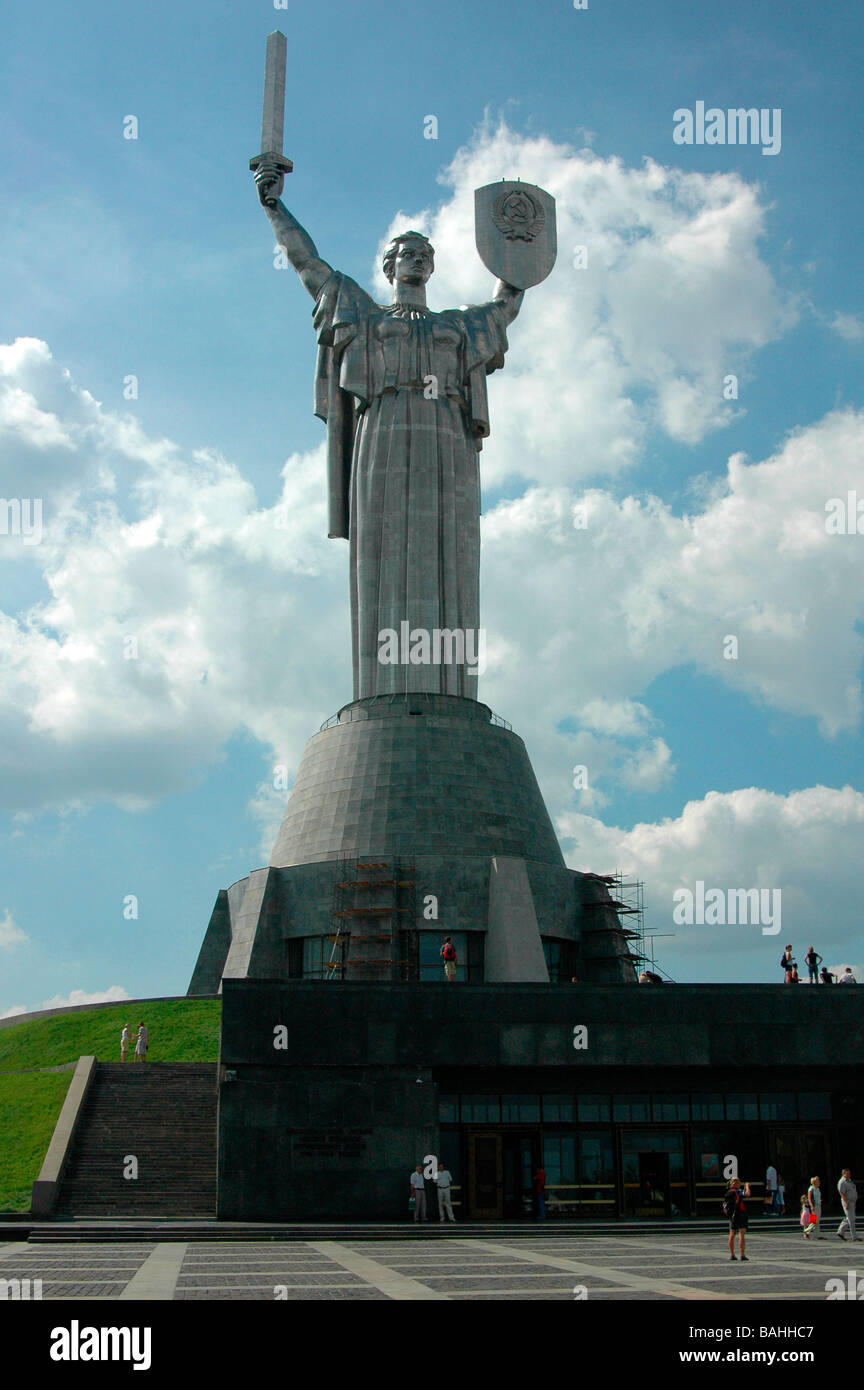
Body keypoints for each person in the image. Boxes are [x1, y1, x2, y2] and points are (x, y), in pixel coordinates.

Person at [252, 168, 526, 703]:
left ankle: (451, 695)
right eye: (407, 252)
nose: (418, 259)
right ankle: (383, 693)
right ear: (390, 264)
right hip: (384, 428)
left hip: (446, 435)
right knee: (386, 548)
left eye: (426, 253)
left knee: (452, 549)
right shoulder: (364, 313)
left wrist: (516, 257)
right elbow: (308, 265)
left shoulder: (460, 325)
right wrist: (275, 210)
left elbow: (507, 306)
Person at [725, 1177, 750, 1260]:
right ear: (736, 1183)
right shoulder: (738, 1191)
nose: (740, 1184)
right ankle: (742, 1255)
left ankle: (732, 1254)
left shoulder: (728, 1192)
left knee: (732, 1234)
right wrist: (747, 1187)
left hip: (732, 1215)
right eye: (739, 1182)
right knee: (741, 1234)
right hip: (741, 1214)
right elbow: (747, 1194)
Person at [837, 1168, 859, 1241]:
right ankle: (854, 1237)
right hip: (847, 1201)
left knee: (849, 1218)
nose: (849, 1175)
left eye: (849, 1173)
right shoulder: (842, 1182)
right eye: (847, 1173)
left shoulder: (849, 1181)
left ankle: (840, 1231)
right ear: (843, 1174)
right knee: (851, 1220)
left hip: (852, 1202)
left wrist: (854, 1202)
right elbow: (842, 1193)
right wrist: (846, 1203)